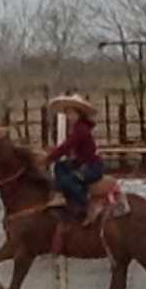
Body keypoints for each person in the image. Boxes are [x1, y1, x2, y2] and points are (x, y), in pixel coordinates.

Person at [43, 93, 106, 227]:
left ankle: (87, 206)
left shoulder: (81, 130)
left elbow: (66, 146)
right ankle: (63, 197)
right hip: (82, 164)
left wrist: (48, 158)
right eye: (67, 114)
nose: (69, 117)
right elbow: (67, 147)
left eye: (71, 113)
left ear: (79, 114)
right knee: (59, 167)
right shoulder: (78, 128)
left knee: (69, 180)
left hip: (92, 167)